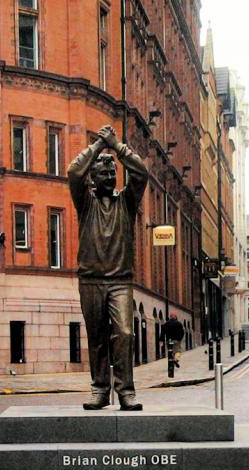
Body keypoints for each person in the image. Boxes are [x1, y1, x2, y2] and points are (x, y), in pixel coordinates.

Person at [68, 125, 148, 411]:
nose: (111, 177)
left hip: (120, 281)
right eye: (104, 173)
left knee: (125, 332)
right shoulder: (85, 202)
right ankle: (100, 390)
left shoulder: (126, 201)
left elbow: (141, 173)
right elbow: (73, 172)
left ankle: (126, 391)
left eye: (113, 173)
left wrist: (117, 146)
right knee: (97, 337)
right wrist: (98, 145)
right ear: (93, 178)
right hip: (90, 280)